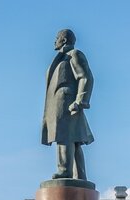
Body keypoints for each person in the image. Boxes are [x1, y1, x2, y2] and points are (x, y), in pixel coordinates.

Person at [42, 28, 94, 180]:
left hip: (67, 103)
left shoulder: (74, 55)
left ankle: (64, 170)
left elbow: (85, 77)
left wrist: (80, 100)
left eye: (57, 37)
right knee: (74, 139)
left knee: (65, 136)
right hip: (59, 103)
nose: (54, 40)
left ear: (64, 40)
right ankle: (80, 175)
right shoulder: (61, 57)